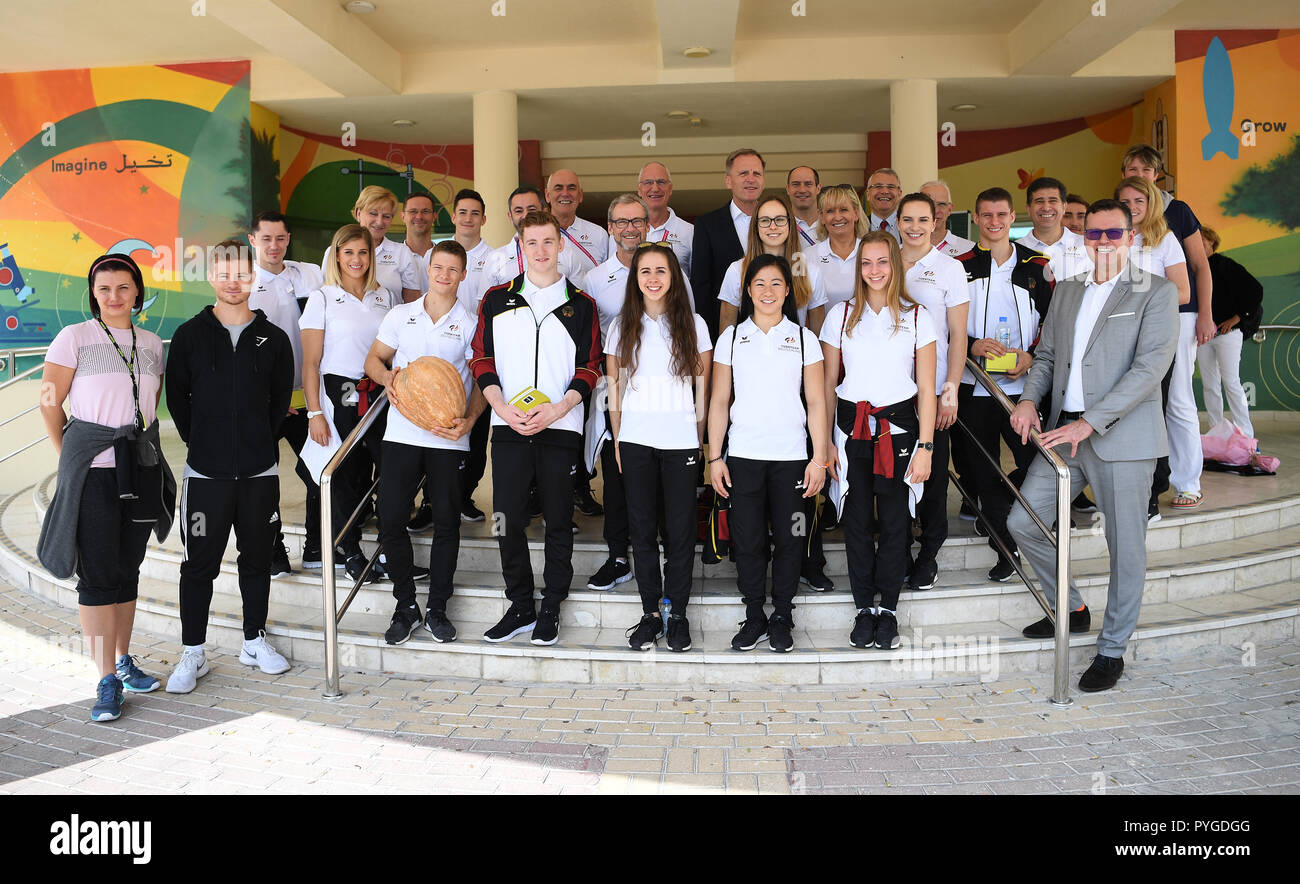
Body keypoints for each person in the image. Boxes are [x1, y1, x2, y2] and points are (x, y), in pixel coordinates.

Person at [1008, 198, 1178, 692]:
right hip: (1065, 432)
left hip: (1122, 438)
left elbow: (1150, 369)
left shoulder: (1156, 292)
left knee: (1125, 547)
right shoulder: (1067, 290)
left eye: (1113, 233)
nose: (1103, 242)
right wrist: (1028, 401)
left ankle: (1112, 649)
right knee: (1024, 521)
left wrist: (1093, 423)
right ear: (1085, 239)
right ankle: (1073, 606)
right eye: (1095, 234)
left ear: (1131, 237)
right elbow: (1047, 356)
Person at [37, 253, 173, 722]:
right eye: (104, 289)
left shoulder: (153, 344)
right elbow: (50, 400)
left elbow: (149, 408)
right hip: (94, 471)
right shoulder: (74, 337)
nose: (113, 297)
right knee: (96, 576)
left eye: (123, 287)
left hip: (138, 468)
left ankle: (122, 658)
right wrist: (70, 455)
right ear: (93, 294)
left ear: (137, 291)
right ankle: (104, 679)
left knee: (127, 568)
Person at [164, 241, 294, 694]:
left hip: (259, 474)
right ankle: (193, 652)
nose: (233, 281)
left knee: (256, 561)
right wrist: (202, 442)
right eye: (225, 273)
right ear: (212, 277)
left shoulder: (273, 339)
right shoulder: (189, 336)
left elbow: (280, 401)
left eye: (241, 272)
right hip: (206, 476)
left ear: (253, 276)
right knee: (199, 565)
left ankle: (254, 640)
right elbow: (177, 399)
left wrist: (259, 438)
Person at [471, 209, 602, 647]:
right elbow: (481, 360)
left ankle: (551, 607)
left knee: (559, 521)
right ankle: (521, 605)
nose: (542, 250)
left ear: (561, 244)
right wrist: (502, 408)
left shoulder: (581, 304)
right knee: (506, 519)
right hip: (509, 425)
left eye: (549, 242)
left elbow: (590, 367)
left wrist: (559, 409)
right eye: (533, 243)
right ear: (521, 247)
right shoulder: (496, 298)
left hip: (560, 427)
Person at [364, 240, 486, 645]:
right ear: (428, 269)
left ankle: (437, 607)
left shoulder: (471, 323)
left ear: (463, 275)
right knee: (392, 518)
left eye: (453, 269)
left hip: (448, 438)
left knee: (447, 523)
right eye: (438, 268)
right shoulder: (402, 315)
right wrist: (389, 381)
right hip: (401, 433)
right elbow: (374, 360)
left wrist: (468, 421)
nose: (445, 276)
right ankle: (405, 605)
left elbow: (484, 382)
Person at [821, 233, 937, 650]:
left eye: (882, 262)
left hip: (900, 429)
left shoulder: (918, 316)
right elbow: (826, 384)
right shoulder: (840, 315)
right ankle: (861, 608)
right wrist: (826, 445)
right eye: (867, 263)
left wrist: (925, 446)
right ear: (859, 268)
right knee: (855, 522)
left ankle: (887, 608)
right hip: (851, 428)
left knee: (894, 522)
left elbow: (927, 389)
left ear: (895, 265)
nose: (874, 270)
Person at [710, 254, 828, 652]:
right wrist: (714, 457)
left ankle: (782, 614)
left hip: (793, 458)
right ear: (747, 290)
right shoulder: (730, 338)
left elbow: (816, 401)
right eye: (759, 283)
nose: (767, 291)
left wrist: (819, 459)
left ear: (787, 290)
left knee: (793, 536)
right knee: (747, 539)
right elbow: (719, 400)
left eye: (776, 283)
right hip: (743, 458)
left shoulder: (803, 338)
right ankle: (755, 613)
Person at [583, 194, 695, 592]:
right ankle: (630, 576)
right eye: (621, 222)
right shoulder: (598, 283)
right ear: (610, 228)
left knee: (675, 521)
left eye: (637, 220)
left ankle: (674, 601)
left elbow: (699, 371)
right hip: (626, 416)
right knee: (630, 505)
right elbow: (605, 365)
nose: (630, 227)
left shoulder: (686, 305)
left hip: (677, 427)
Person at [607, 242, 711, 652]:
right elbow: (613, 389)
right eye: (645, 271)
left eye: (660, 271)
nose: (652, 278)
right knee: (643, 530)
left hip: (680, 439)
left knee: (681, 531)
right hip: (635, 439)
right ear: (636, 278)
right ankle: (652, 613)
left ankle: (678, 612)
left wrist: (699, 438)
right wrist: (617, 439)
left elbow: (704, 387)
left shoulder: (694, 325)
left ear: (674, 278)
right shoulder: (621, 326)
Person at [956, 187, 1051, 583]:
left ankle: (1022, 526)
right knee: (981, 473)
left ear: (1013, 218)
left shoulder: (1037, 265)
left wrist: (1031, 355)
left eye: (1001, 215)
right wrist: (971, 344)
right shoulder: (958, 266)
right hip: (973, 386)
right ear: (976, 219)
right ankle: (1005, 549)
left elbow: (1054, 322)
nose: (994, 222)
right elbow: (942, 326)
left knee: (1036, 465)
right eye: (986, 216)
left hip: (1023, 389)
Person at [301, 225, 397, 584]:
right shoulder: (322, 298)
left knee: (391, 471)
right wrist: (315, 413)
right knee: (343, 476)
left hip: (381, 392)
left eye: (363, 252)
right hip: (338, 393)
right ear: (336, 256)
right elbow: (310, 362)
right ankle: (351, 550)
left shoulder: (385, 296)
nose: (357, 260)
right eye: (349, 252)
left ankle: (390, 549)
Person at [1121, 144, 1215, 510]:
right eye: (1131, 168)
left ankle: (1187, 481)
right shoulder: (1121, 217)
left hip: (1178, 314)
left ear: (1157, 174)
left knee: (1176, 398)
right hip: (1131, 322)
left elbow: (1200, 266)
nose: (1138, 175)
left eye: (1145, 170)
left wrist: (1205, 313)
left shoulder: (1177, 212)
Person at [408, 188, 494, 531]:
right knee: (435, 431)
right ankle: (431, 501)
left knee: (474, 432)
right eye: (462, 212)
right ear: (453, 216)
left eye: (475, 213)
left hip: (478, 352)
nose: (468, 218)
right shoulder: (435, 254)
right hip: (438, 361)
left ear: (483, 219)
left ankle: (464, 496)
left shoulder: (497, 258)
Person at [897, 192, 970, 590]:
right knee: (897, 476)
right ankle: (901, 547)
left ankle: (928, 553)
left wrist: (950, 389)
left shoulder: (949, 269)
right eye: (907, 220)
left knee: (933, 474)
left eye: (922, 220)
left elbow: (957, 336)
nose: (914, 227)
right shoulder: (884, 261)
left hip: (935, 389)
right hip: (892, 390)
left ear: (935, 221)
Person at [247, 210, 325, 574]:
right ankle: (274, 549)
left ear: (288, 238)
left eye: (280, 238)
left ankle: (316, 547)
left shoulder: (309, 273)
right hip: (263, 403)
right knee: (264, 481)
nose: (274, 246)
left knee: (318, 473)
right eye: (266, 239)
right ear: (253, 240)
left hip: (307, 396)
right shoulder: (242, 283)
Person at [1116, 175, 1194, 519]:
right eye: (1126, 202)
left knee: (1151, 415)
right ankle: (1122, 489)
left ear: (1151, 204)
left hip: (1154, 343)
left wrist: (1141, 298)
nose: (1132, 208)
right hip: (1114, 344)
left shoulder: (1164, 241)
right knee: (1116, 417)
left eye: (1139, 201)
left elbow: (1183, 293)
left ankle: (1152, 491)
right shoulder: (1110, 238)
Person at [718, 192, 828, 335]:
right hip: (748, 354)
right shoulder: (737, 270)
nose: (773, 226)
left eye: (780, 219)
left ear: (790, 223)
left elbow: (818, 331)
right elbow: (726, 328)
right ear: (756, 226)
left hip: (795, 354)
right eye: (765, 220)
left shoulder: (809, 271)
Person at [690, 148, 766, 339]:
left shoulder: (779, 221)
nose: (751, 179)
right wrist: (709, 338)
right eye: (743, 173)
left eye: (756, 173)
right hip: (724, 332)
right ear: (728, 181)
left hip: (773, 332)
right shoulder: (707, 225)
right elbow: (701, 286)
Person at [1196, 225, 1263, 440]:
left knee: (1231, 382)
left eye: (1203, 240)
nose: (1199, 244)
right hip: (1204, 335)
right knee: (1210, 384)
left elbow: (1255, 290)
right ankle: (1216, 431)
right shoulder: (1193, 268)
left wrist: (1237, 317)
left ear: (1212, 243)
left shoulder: (1226, 265)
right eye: (1196, 240)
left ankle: (1246, 433)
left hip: (1228, 333)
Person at [322, 185, 422, 304]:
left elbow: (412, 303)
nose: (379, 222)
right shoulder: (334, 251)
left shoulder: (402, 253)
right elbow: (327, 293)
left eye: (386, 216)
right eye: (373, 213)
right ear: (358, 213)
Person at [484, 185, 584, 289]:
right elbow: (486, 303)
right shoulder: (494, 258)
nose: (525, 215)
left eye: (531, 209)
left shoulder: (568, 254)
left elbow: (578, 299)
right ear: (510, 216)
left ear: (545, 212)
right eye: (518, 211)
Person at [607, 162, 693, 274]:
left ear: (670, 188)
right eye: (648, 182)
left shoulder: (690, 232)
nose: (655, 188)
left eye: (661, 182)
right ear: (639, 190)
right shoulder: (621, 232)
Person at [1017, 177, 1094, 284]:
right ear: (1028, 209)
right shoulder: (1015, 250)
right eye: (1039, 201)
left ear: (1064, 207)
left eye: (1053, 201)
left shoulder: (1087, 246)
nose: (1046, 207)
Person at [807, 184, 869, 311]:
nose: (838, 217)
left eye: (844, 210)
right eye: (830, 211)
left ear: (856, 213)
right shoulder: (806, 257)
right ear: (822, 217)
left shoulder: (872, 252)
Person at [547, 169, 608, 279]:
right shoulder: (536, 235)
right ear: (547, 195)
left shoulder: (599, 234)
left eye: (571, 188)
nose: (565, 193)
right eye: (558, 188)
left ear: (580, 195)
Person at [921, 180, 976, 258]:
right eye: (929, 204)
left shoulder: (969, 249)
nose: (935, 210)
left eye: (941, 204)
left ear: (949, 210)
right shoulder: (901, 251)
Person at [787, 165, 822, 248]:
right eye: (796, 184)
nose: (802, 190)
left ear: (818, 188)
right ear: (787, 189)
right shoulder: (779, 225)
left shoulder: (831, 222)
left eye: (808, 184)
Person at [865, 168, 904, 242]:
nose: (885, 191)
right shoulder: (857, 228)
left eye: (891, 187)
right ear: (868, 194)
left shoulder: (909, 226)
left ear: (899, 194)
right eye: (878, 186)